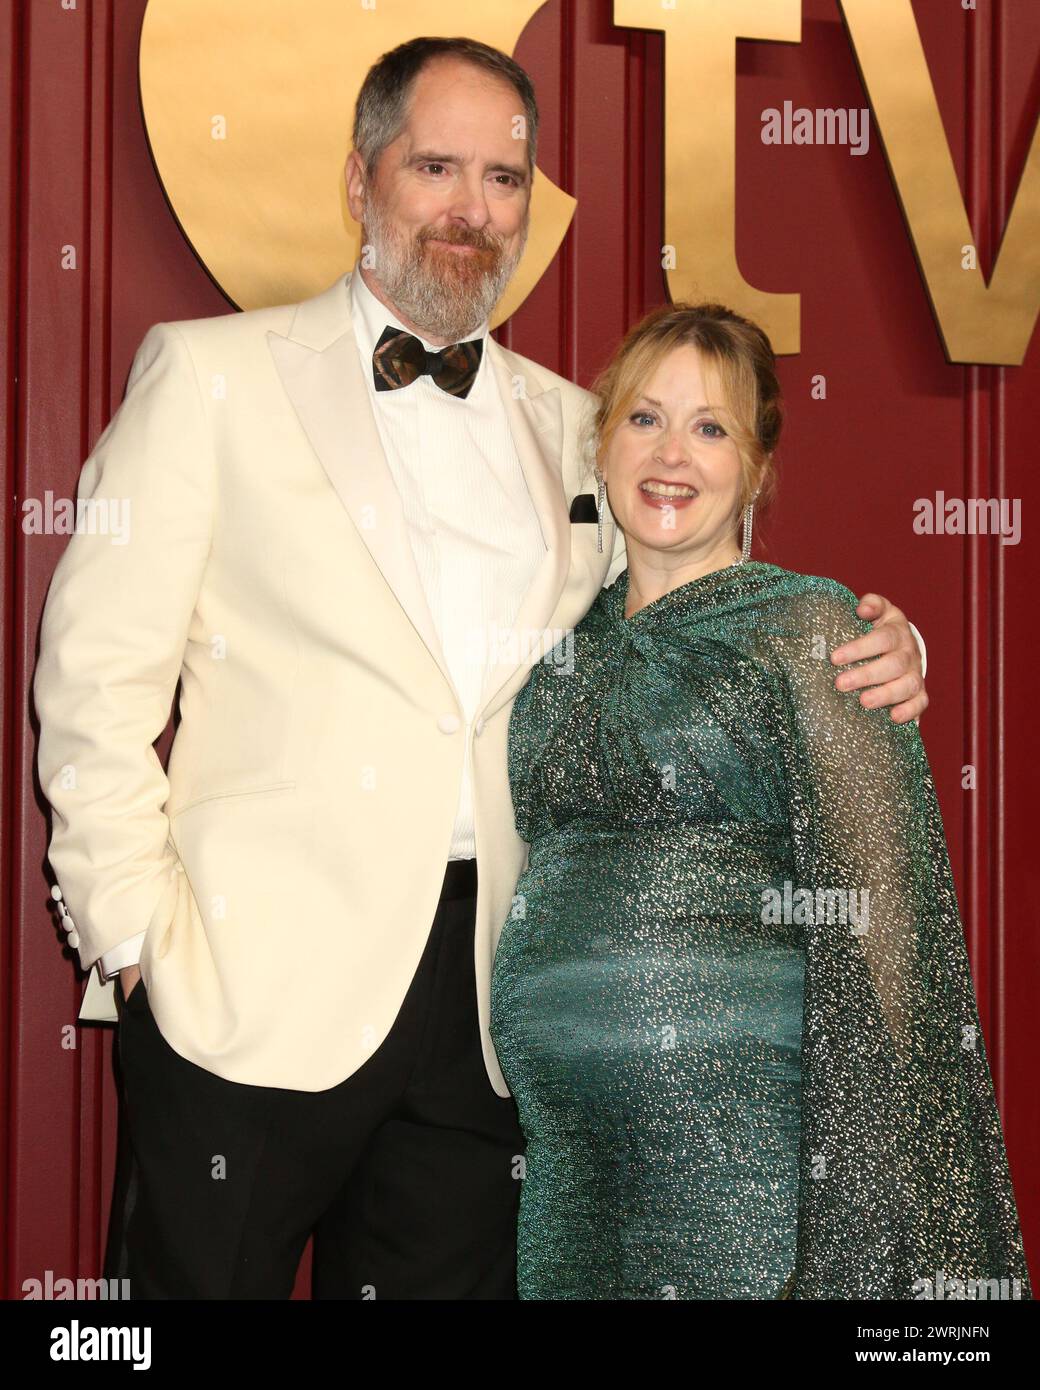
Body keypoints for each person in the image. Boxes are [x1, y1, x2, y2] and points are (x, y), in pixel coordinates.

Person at [33, 37, 926, 1299]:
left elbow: (704, 581)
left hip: (489, 1016)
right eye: (435, 166)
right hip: (241, 988)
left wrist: (886, 642)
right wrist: (134, 940)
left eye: (503, 179)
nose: (471, 209)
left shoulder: (577, 423)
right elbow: (93, 680)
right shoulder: (213, 377)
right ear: (360, 180)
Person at [488, 301, 1031, 1300]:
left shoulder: (809, 629)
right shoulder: (560, 639)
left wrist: (874, 1229)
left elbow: (886, 940)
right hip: (566, 1161)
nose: (671, 456)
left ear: (754, 466)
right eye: (645, 419)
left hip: (736, 1161)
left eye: (710, 429)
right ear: (601, 441)